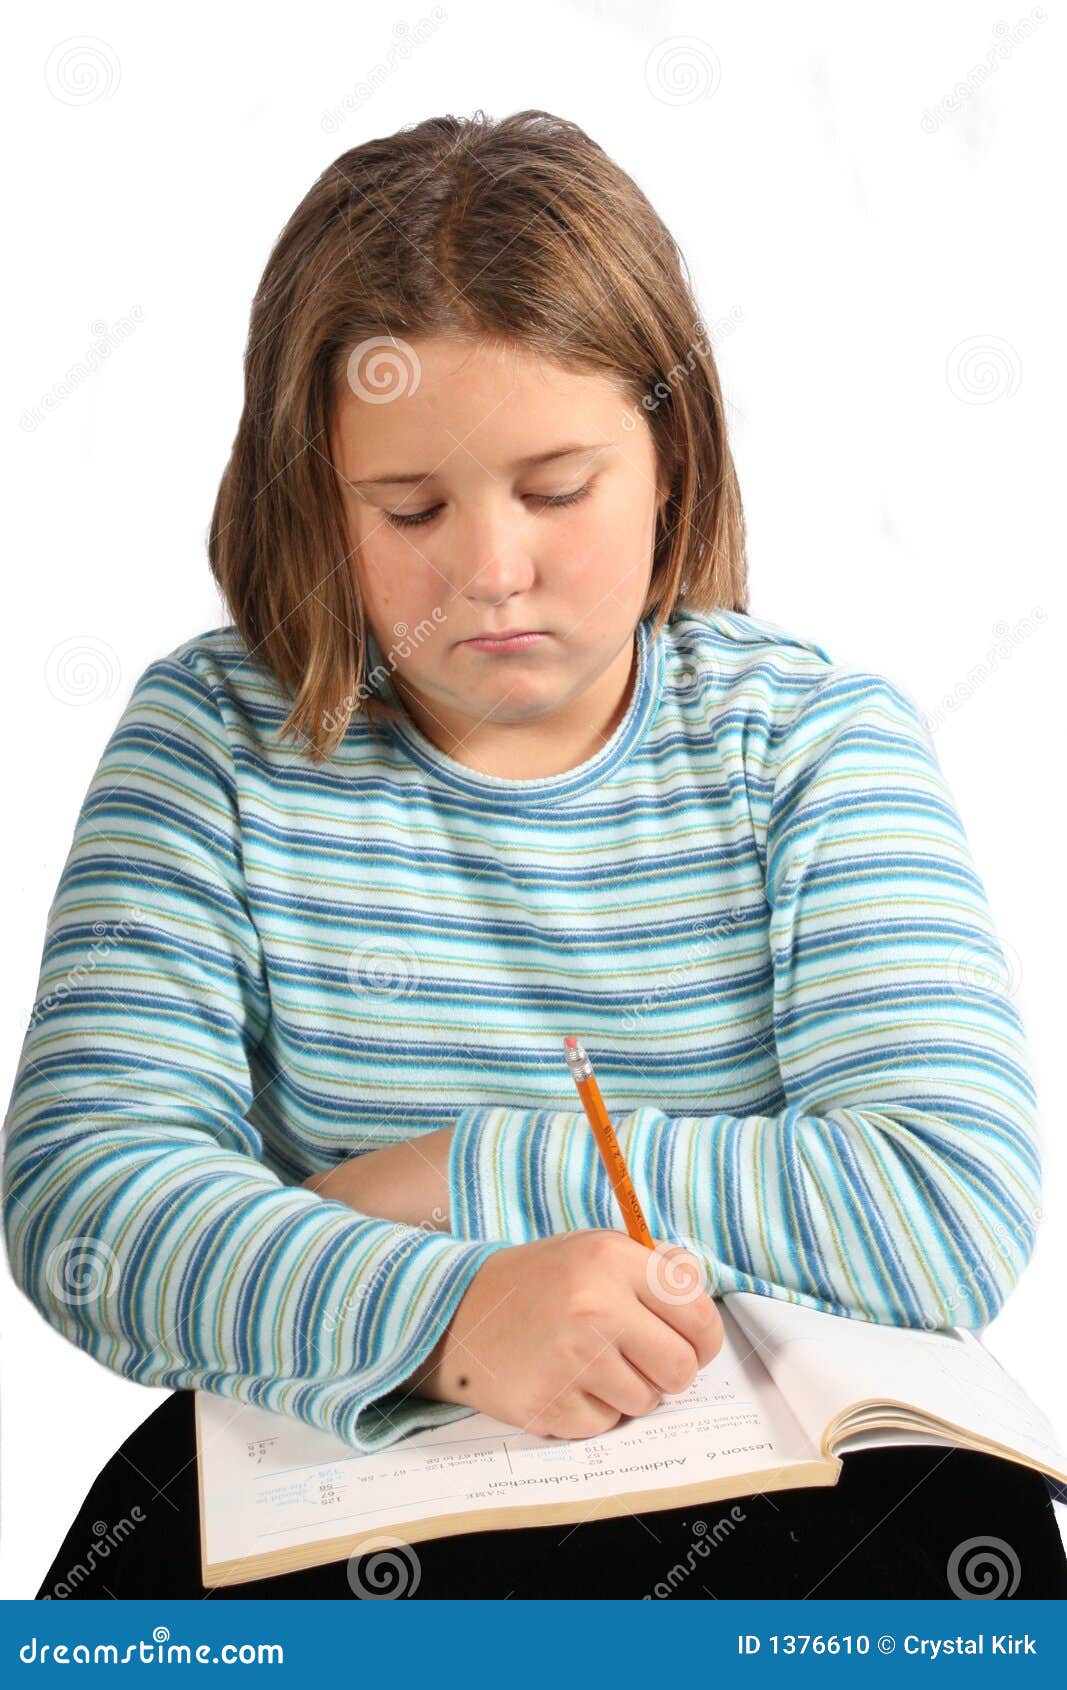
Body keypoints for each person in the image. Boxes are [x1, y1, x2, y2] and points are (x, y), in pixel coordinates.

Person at [6, 108, 1064, 1601]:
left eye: (557, 490)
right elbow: (85, 1198)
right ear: (314, 499)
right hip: (351, 1481)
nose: (492, 572)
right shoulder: (214, 744)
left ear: (672, 463)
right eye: (411, 508)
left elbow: (945, 1205)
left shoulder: (815, 747)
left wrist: (460, 1175)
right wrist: (454, 1316)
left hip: (782, 1504)